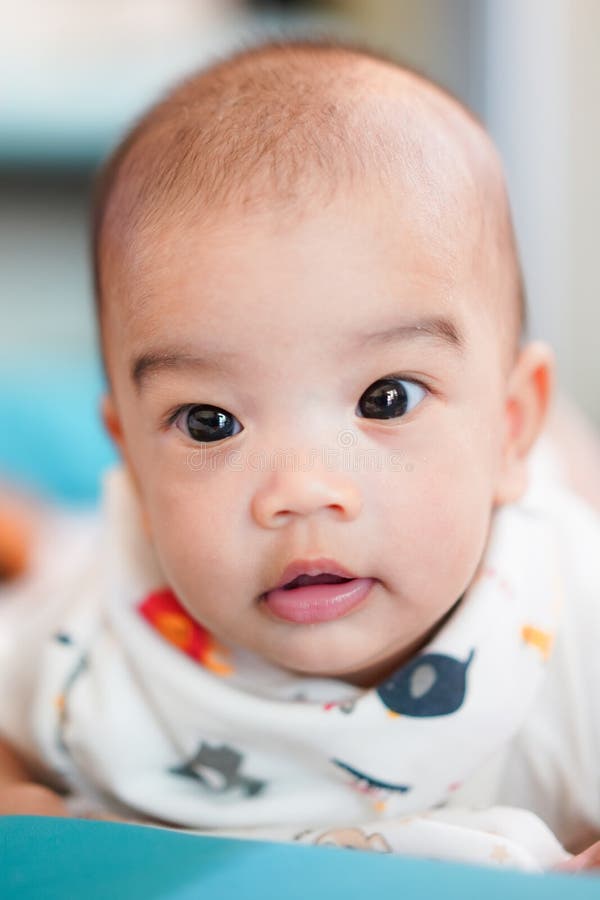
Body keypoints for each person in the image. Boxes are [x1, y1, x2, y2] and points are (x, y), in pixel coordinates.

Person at [0, 40, 599, 874]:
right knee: (50, 553)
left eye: (385, 399)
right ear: (132, 463)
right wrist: (21, 799)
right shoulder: (99, 637)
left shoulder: (574, 620)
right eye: (209, 422)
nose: (300, 491)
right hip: (95, 566)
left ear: (508, 427)